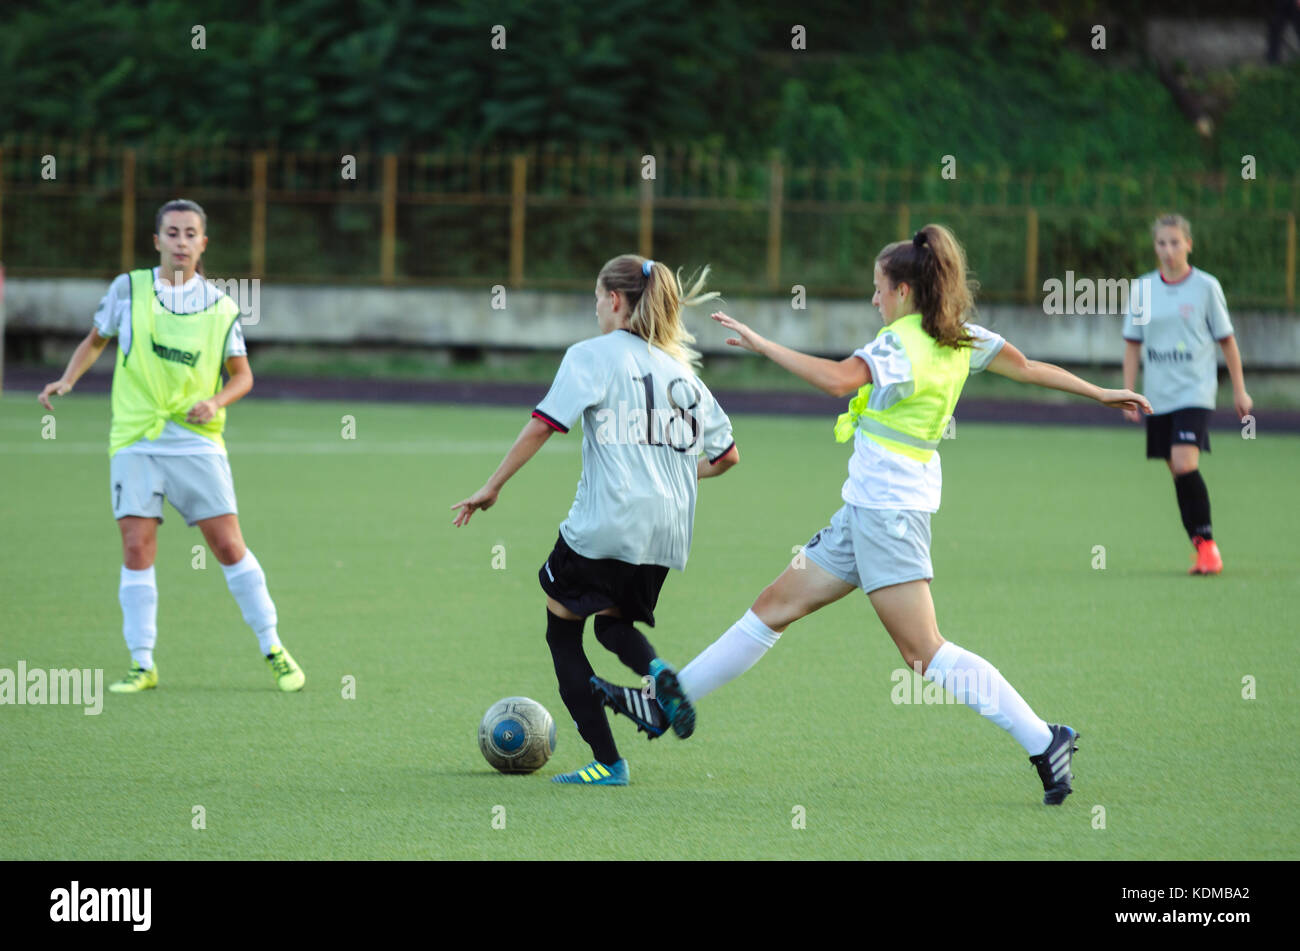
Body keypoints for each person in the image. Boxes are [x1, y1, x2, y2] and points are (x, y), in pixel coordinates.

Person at [592, 224, 1152, 805]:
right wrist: (1103, 393)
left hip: (889, 515)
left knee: (924, 653)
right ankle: (664, 704)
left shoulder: (900, 343)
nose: (874, 299)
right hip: (867, 511)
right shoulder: (962, 336)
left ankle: (1045, 739)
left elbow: (838, 381)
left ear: (906, 290)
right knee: (772, 608)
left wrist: (763, 345)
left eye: (879, 289)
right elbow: (1031, 367)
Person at [452, 255, 739, 786]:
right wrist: (665, 476)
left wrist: (492, 486)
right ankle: (657, 675)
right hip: (667, 531)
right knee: (611, 623)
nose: (595, 309)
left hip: (608, 522)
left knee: (563, 634)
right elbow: (727, 457)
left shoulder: (592, 356)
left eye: (596, 299)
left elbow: (543, 425)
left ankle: (609, 762)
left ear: (614, 300)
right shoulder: (682, 373)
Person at [37, 199, 305, 694]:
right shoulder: (128, 289)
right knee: (137, 547)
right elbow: (97, 339)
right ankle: (143, 663)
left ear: (203, 243)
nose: (181, 242)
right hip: (135, 438)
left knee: (227, 545)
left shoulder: (222, 307)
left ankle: (273, 646)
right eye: (172, 233)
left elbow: (242, 376)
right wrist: (67, 379)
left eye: (190, 234)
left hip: (196, 443)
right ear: (156, 240)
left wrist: (216, 400)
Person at [1121, 213, 1251, 575]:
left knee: (1184, 463)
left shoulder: (1206, 287)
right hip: (1157, 394)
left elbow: (1227, 341)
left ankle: (1208, 548)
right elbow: (1132, 345)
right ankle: (1202, 546)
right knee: (1178, 472)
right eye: (1162, 243)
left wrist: (1240, 390)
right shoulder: (1143, 288)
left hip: (1195, 391)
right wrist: (1128, 392)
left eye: (1175, 242)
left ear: (1188, 244)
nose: (1168, 250)